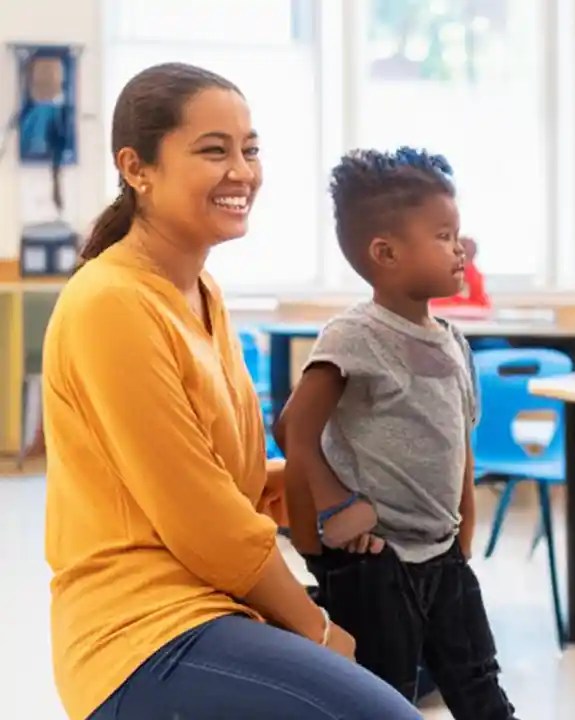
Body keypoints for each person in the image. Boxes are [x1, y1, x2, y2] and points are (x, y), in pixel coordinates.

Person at [42, 63, 420, 720]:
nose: (242, 171)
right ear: (137, 169)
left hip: (215, 604)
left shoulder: (202, 292)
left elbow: (216, 476)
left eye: (250, 148)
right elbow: (201, 517)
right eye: (214, 150)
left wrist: (319, 489)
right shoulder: (112, 303)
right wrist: (316, 628)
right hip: (142, 632)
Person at [275, 147, 516, 718]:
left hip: (443, 556)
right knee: (383, 700)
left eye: (456, 232)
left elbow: (460, 441)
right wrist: (338, 507)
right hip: (375, 562)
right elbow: (293, 430)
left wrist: (464, 527)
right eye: (442, 235)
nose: (459, 248)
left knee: (480, 687)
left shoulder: (455, 342)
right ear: (384, 253)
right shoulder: (353, 335)